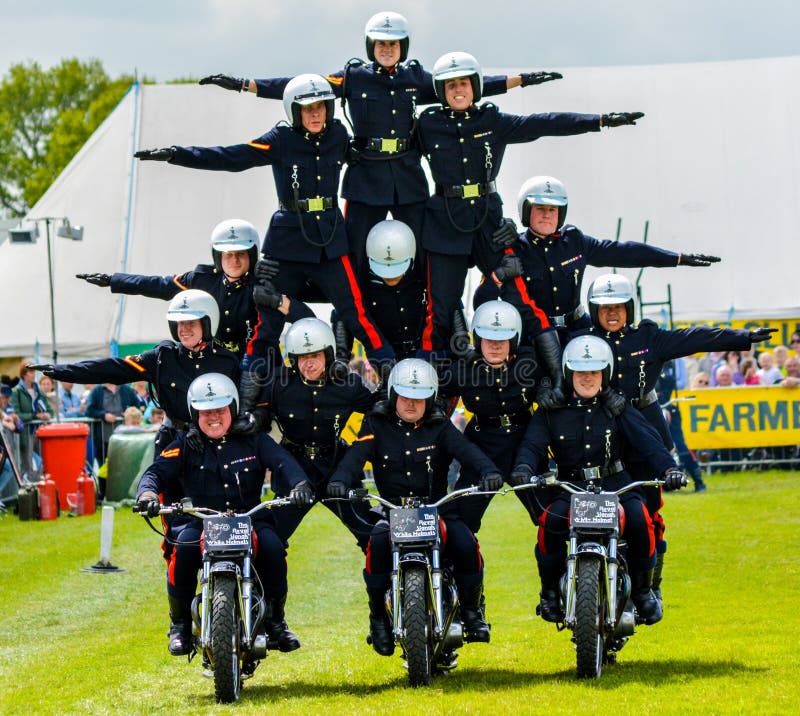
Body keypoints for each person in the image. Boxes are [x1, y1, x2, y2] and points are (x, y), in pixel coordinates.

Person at [199, 10, 560, 283]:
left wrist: (520, 81)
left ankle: (421, 311)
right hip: (365, 178)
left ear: (402, 48)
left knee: (422, 252)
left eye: (394, 44)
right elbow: (299, 86)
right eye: (381, 44)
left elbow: (467, 84)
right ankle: (345, 323)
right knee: (353, 255)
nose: (387, 50)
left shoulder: (415, 78)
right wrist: (246, 85)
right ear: (371, 47)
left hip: (407, 177)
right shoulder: (353, 77)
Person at [135, 75, 395, 369]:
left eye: (321, 107)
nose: (315, 113)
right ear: (294, 111)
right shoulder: (281, 139)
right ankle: (250, 403)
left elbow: (374, 154)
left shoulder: (337, 135)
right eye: (307, 108)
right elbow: (232, 157)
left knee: (357, 315)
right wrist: (177, 155)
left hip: (330, 243)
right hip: (287, 245)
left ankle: (393, 378)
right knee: (266, 325)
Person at [415, 56, 647, 361]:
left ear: (475, 87)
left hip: (488, 219)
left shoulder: (492, 122)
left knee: (521, 295)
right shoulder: (429, 124)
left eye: (464, 83)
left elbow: (544, 123)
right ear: (441, 90)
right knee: (440, 309)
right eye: (451, 85)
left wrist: (599, 121)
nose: (458, 90)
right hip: (445, 220)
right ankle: (427, 386)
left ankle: (554, 374)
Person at [327, 358, 503, 654]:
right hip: (394, 512)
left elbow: (467, 451)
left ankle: (472, 611)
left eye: (419, 397)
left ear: (430, 398)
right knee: (378, 542)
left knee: (464, 541)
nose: (412, 403)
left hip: (437, 510)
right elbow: (356, 455)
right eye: (406, 395)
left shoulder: (440, 426)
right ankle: (378, 619)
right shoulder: (375, 424)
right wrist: (340, 482)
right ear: (394, 394)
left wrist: (489, 472)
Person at [509, 336, 687, 625]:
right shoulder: (551, 412)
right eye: (581, 372)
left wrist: (669, 470)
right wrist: (523, 467)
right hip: (571, 487)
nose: (587, 378)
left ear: (605, 373)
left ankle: (643, 592)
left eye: (594, 372)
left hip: (616, 484)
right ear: (569, 373)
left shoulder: (617, 407)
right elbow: (532, 445)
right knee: (550, 522)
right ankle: (550, 591)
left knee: (640, 520)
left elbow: (648, 442)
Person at [135, 373, 311, 656]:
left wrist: (299, 484)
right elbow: (156, 472)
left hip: (249, 517)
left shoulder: (255, 440)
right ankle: (179, 625)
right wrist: (148, 495)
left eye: (219, 410)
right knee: (182, 554)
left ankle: (276, 621)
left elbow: (284, 462)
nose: (213, 417)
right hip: (202, 521)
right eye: (206, 412)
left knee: (273, 549)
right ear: (195, 414)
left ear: (232, 409)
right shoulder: (183, 443)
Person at [473, 175, 722, 345]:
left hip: (579, 330)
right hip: (534, 336)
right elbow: (480, 295)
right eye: (540, 208)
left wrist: (677, 258)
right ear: (526, 210)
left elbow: (623, 251)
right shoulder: (513, 249)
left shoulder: (575, 241)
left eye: (553, 209)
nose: (546, 215)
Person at [28, 290, 241, 464]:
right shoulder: (162, 358)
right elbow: (114, 367)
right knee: (170, 506)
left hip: (217, 441)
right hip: (174, 440)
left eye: (190, 323)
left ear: (207, 323)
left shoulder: (227, 361)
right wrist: (62, 370)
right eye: (179, 323)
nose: (183, 329)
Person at [76, 219, 314, 365]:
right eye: (227, 254)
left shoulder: (266, 283)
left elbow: (307, 319)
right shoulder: (202, 279)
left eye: (241, 253)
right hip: (215, 367)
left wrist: (277, 300)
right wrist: (114, 280)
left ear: (252, 255)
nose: (234, 260)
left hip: (261, 372)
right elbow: (158, 285)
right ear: (217, 256)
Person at [254, 318, 380, 551]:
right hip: (294, 469)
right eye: (302, 357)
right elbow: (260, 414)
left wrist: (359, 447)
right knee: (267, 541)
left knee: (374, 536)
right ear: (293, 359)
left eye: (315, 356)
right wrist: (257, 419)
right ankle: (263, 587)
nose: (308, 364)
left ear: (328, 355)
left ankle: (385, 587)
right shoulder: (278, 383)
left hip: (336, 465)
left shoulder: (348, 384)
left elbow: (377, 412)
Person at [655, 359, 706, 492]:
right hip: (651, 409)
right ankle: (662, 483)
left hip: (668, 407)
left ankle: (698, 481)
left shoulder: (675, 362)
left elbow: (682, 382)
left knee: (680, 444)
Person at [10, 362, 52, 476]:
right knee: (27, 464)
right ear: (24, 374)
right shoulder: (16, 391)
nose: (33, 374)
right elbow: (16, 415)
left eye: (34, 372)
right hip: (25, 433)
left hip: (40, 431)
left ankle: (39, 481)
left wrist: (47, 415)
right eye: (30, 372)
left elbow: (49, 409)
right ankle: (29, 486)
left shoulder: (38, 390)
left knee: (48, 460)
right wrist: (35, 416)